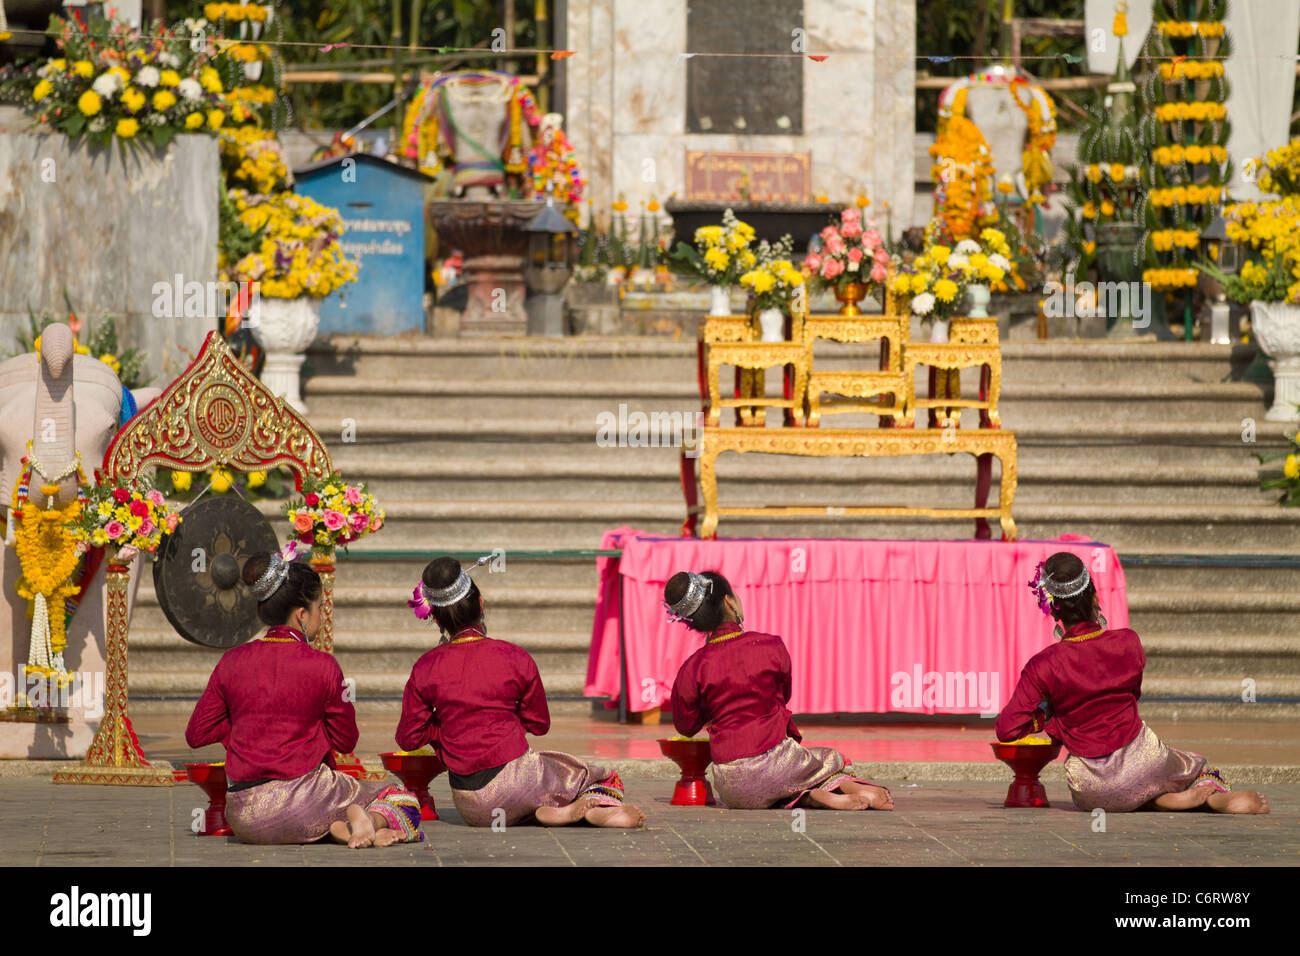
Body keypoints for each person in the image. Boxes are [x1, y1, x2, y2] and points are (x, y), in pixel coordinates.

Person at [186, 543, 424, 847]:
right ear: (301, 615)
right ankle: (367, 819)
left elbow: (197, 733)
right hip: (302, 804)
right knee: (402, 798)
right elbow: (346, 740)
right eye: (319, 608)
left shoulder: (232, 661)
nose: (321, 616)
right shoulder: (322, 666)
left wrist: (248, 732)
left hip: (243, 817)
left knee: (324, 804)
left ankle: (339, 827)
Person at [997, 551, 1269, 814]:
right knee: (1192, 766)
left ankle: (1156, 801)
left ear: (1053, 612)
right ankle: (1204, 798)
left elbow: (1006, 729)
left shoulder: (1043, 664)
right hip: (1143, 760)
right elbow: (1132, 694)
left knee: (1122, 793)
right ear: (1095, 597)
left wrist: (1048, 714)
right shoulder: (1128, 642)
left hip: (1092, 788)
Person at [398, 555, 646, 828]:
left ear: (435, 619)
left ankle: (542, 811)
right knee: (602, 777)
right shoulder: (514, 657)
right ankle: (593, 809)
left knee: (532, 785)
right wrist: (504, 723)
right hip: (517, 780)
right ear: (480, 603)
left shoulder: (426, 666)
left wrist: (446, 730)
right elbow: (540, 725)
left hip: (470, 805)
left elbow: (408, 738)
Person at [666, 570, 893, 811]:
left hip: (732, 786)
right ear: (728, 601)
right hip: (779, 764)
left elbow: (685, 727)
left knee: (776, 787)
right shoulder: (769, 646)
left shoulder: (693, 666)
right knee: (830, 759)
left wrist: (710, 706)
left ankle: (808, 797)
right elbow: (782, 696)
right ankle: (843, 788)